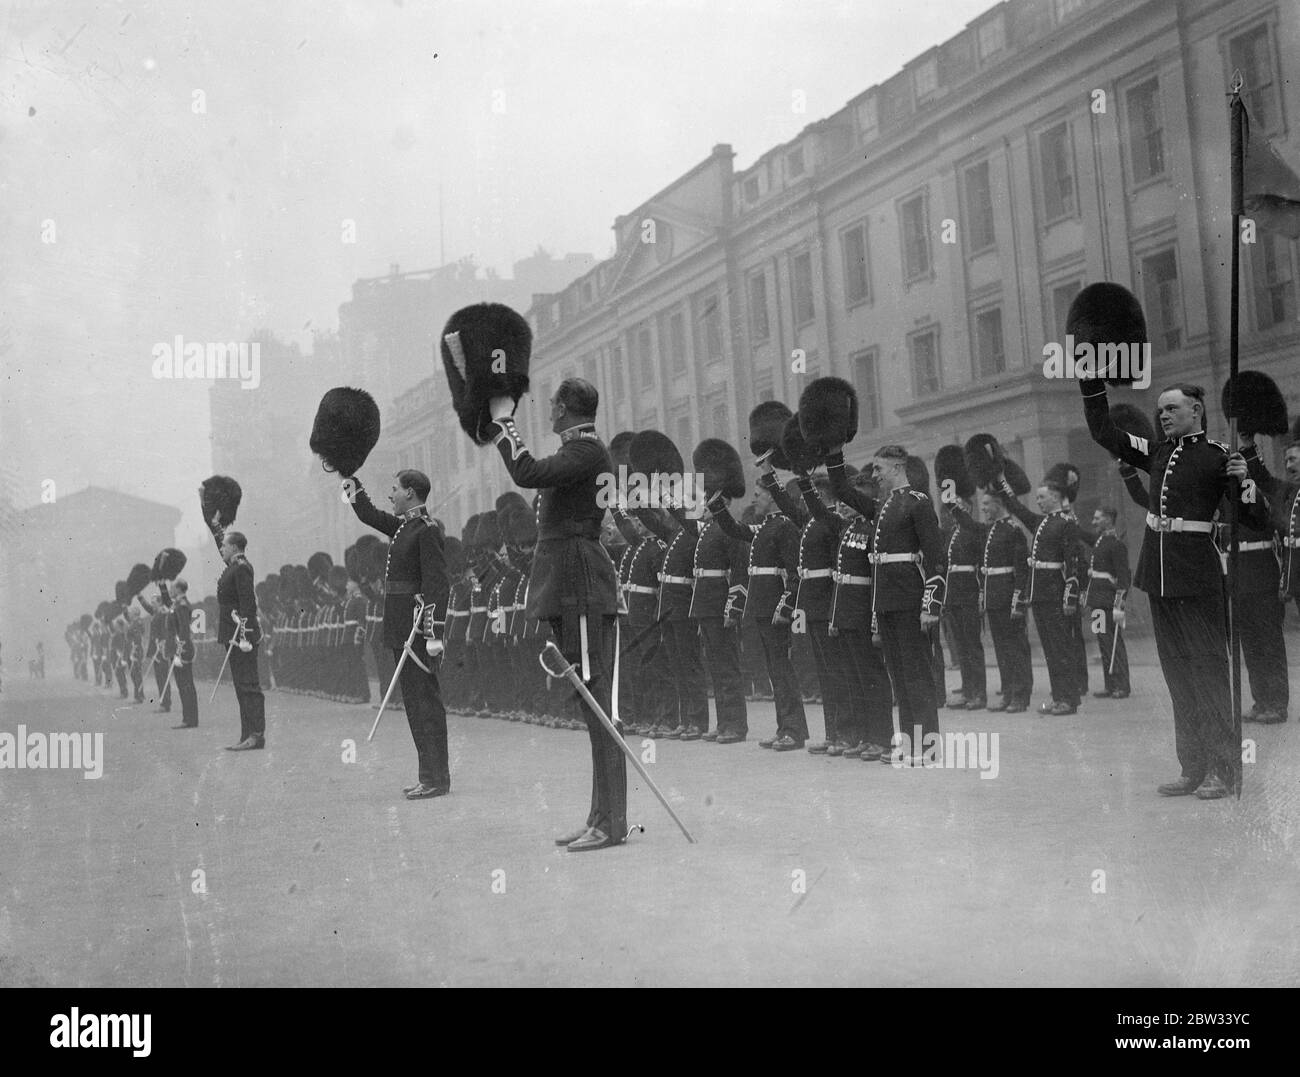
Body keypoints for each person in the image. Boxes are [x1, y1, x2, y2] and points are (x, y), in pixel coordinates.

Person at [1081, 380, 1264, 799]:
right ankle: (1193, 766)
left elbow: (1251, 517)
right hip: (1160, 579)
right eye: (1160, 410)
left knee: (1209, 675)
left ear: (1196, 411)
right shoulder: (1157, 451)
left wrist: (1244, 480)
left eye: (1172, 409)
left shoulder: (1219, 457)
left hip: (1197, 579)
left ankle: (1224, 767)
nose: (1162, 415)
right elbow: (1104, 433)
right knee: (1178, 677)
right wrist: (1091, 385)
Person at [487, 378, 626, 851]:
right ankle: (599, 816)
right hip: (569, 584)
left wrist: (505, 423)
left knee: (598, 706)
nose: (547, 414)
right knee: (590, 704)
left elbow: (526, 471)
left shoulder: (586, 450)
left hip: (580, 587)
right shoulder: (578, 452)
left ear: (566, 410)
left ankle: (612, 823)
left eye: (551, 408)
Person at [829, 444, 946, 765]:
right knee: (900, 675)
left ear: (896, 468)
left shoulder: (917, 503)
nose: (875, 475)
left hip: (909, 598)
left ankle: (927, 748)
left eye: (879, 469)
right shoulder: (882, 506)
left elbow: (936, 558)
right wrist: (832, 452)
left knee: (916, 674)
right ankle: (910, 744)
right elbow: (842, 488)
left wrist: (930, 604)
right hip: (886, 601)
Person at [345, 469, 451, 799]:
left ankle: (437, 778)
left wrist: (433, 633)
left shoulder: (425, 530)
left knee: (426, 705)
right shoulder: (403, 527)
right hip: (401, 627)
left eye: (395, 490)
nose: (390, 495)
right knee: (414, 706)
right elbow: (365, 512)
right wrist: (347, 477)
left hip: (418, 631)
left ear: (411, 493)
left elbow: (437, 585)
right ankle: (428, 775)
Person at [995, 475, 1083, 715]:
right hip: (1041, 594)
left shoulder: (1066, 524)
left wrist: (1070, 596)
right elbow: (1016, 507)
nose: (1039, 502)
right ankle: (1059, 698)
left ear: (1055, 497)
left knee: (1061, 649)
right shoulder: (1042, 522)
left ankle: (1069, 699)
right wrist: (1000, 480)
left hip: (1055, 594)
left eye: (1042, 497)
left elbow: (1073, 562)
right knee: (1050, 651)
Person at [204, 512, 265, 750]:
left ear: (234, 547)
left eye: (224, 546)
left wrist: (244, 635)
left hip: (242, 636)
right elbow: (221, 541)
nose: (221, 549)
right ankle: (247, 734)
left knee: (249, 686)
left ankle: (256, 734)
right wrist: (216, 524)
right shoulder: (234, 565)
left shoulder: (240, 568)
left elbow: (247, 604)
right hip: (235, 635)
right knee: (242, 686)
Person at [1083, 507, 1132, 699]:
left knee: (1113, 643)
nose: (1094, 522)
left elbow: (1123, 578)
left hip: (1108, 603)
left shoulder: (1116, 545)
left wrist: (1119, 606)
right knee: (1103, 642)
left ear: (1109, 520)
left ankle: (1122, 685)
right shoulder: (1101, 541)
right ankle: (1110, 684)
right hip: (1097, 601)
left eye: (1097, 518)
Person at [168, 578, 200, 728]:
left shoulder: (181, 606)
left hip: (183, 649)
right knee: (184, 685)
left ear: (179, 589)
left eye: (172, 588)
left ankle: (190, 719)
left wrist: (179, 653)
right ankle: (189, 718)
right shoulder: (179, 604)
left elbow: (183, 631)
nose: (170, 590)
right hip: (182, 648)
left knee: (185, 685)